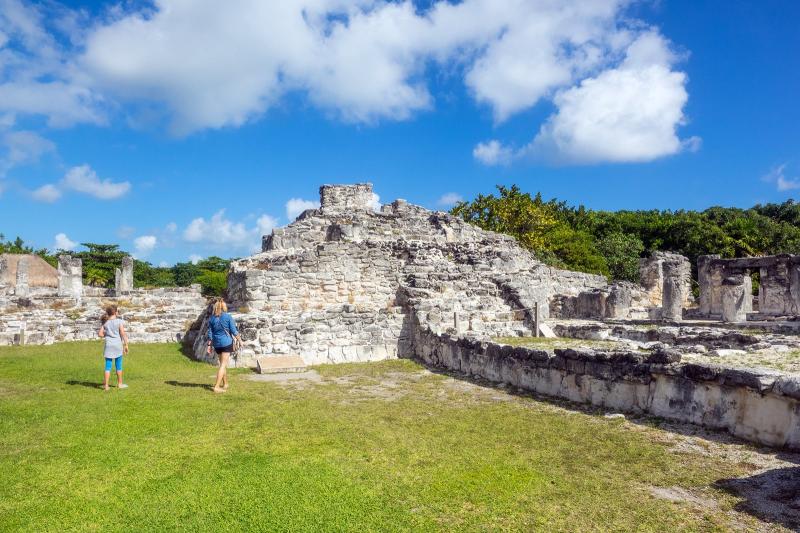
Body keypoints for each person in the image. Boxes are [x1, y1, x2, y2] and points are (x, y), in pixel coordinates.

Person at [206, 298, 240, 393]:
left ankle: (225, 383)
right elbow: (233, 331)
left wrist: (209, 345)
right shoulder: (228, 317)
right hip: (226, 343)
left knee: (222, 364)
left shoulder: (212, 318)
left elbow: (210, 333)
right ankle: (216, 387)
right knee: (223, 365)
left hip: (217, 344)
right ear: (224, 307)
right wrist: (240, 340)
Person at [98, 304, 129, 391]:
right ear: (115, 312)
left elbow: (100, 334)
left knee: (108, 366)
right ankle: (120, 384)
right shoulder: (119, 321)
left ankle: (106, 386)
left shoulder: (105, 322)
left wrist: (107, 334)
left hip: (109, 345)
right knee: (118, 365)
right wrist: (126, 345)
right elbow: (123, 333)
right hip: (117, 345)